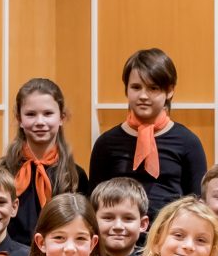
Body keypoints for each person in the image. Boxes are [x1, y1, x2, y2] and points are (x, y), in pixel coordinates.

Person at [88, 48, 208, 211]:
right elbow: (94, 203)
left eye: (153, 88)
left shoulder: (188, 142)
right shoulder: (106, 143)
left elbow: (198, 203)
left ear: (170, 91)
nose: (143, 96)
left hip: (170, 232)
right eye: (136, 87)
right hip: (120, 231)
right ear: (126, 89)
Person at [0, 78, 88, 246]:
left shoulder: (75, 175)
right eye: (31, 114)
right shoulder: (2, 171)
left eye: (48, 114)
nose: (40, 122)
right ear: (19, 119)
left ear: (61, 117)